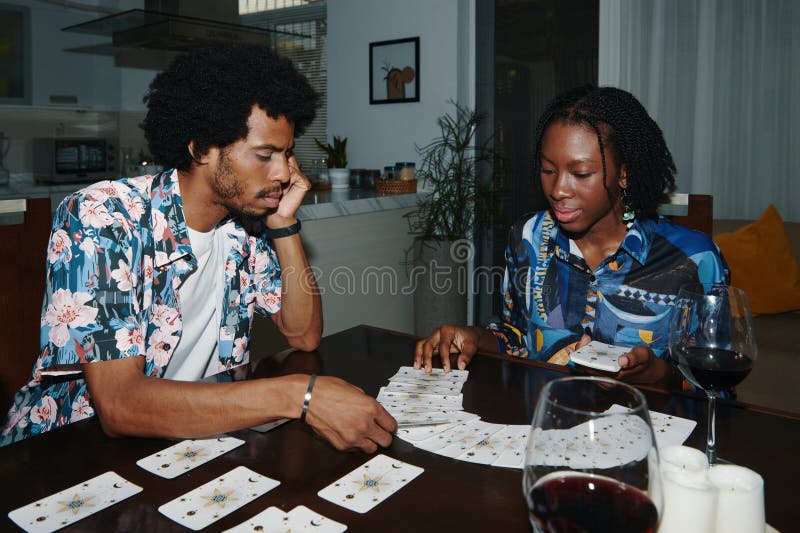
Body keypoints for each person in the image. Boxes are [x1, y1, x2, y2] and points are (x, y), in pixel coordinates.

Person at [1, 44, 396, 451]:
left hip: (188, 438)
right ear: (201, 147)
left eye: (286, 154)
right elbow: (121, 405)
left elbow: (304, 334)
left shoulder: (245, 226)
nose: (282, 172)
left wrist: (284, 225)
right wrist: (300, 396)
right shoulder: (102, 218)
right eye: (265, 155)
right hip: (61, 456)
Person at [415, 85, 728, 388]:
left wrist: (662, 377)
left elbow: (719, 388)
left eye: (581, 173)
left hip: (645, 434)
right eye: (548, 170)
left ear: (624, 172)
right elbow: (517, 337)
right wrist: (475, 338)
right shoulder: (528, 237)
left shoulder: (695, 259)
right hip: (545, 426)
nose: (557, 189)